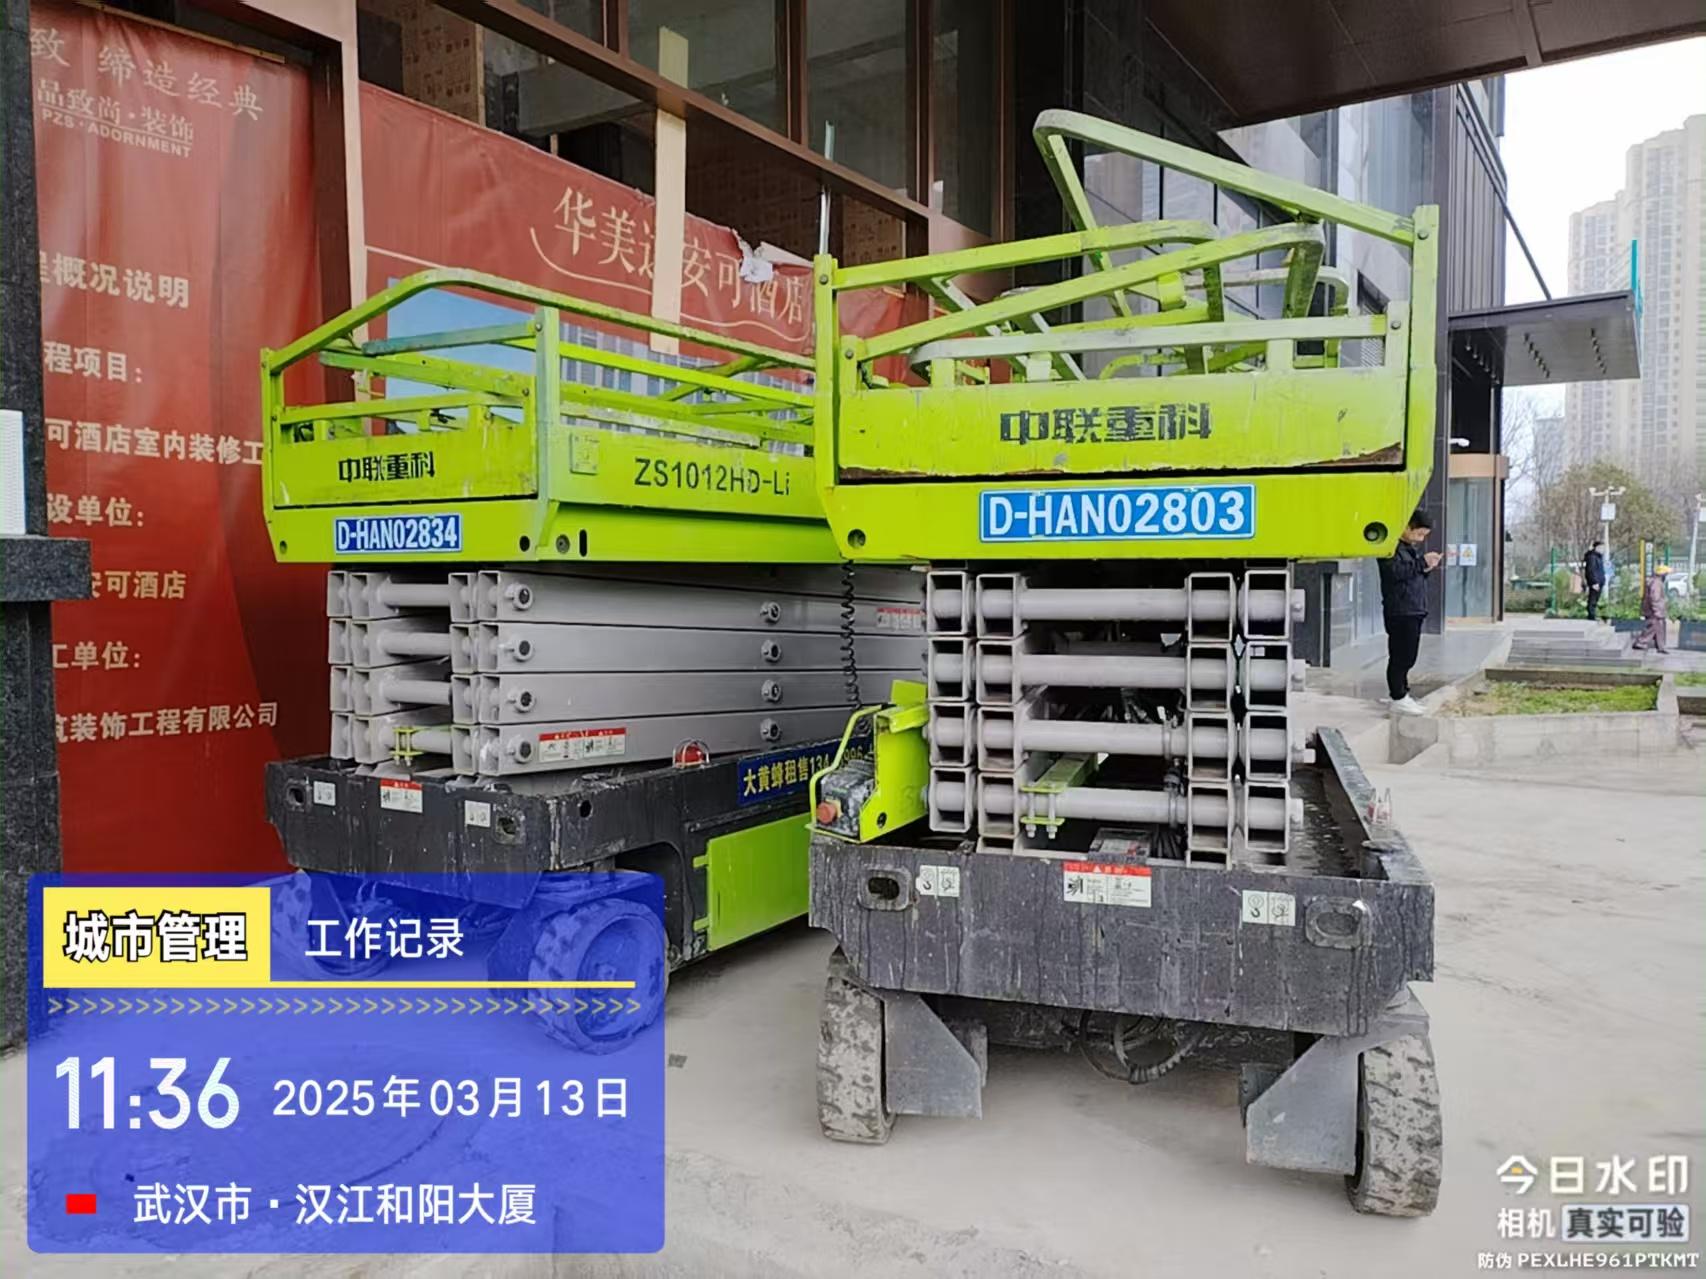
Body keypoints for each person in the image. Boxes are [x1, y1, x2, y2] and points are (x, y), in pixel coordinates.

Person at [1377, 510, 1441, 714]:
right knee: (1402, 656)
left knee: (1407, 655)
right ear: (1407, 527)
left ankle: (1401, 693)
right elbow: (1394, 573)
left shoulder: (1408, 548)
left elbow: (1411, 575)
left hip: (1413, 608)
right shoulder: (1390, 547)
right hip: (1400, 610)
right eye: (1419, 534)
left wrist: (1425, 568)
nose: (1420, 539)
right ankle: (1398, 697)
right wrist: (1422, 563)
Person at [1631, 564, 1671, 653]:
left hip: (1653, 610)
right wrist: (1657, 611)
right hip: (1654, 611)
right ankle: (1641, 642)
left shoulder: (1654, 582)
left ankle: (1661, 647)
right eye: (1666, 574)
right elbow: (1655, 598)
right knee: (1653, 627)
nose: (1667, 576)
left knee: (1658, 628)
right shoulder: (1656, 583)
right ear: (1662, 574)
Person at [1582, 540, 1606, 620]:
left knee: (1596, 599)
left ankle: (1593, 614)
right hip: (1595, 582)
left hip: (1599, 581)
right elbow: (1591, 570)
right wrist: (1594, 582)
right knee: (1592, 599)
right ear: (1597, 547)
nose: (1603, 550)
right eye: (1602, 548)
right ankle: (1591, 615)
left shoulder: (1598, 557)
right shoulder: (1592, 557)